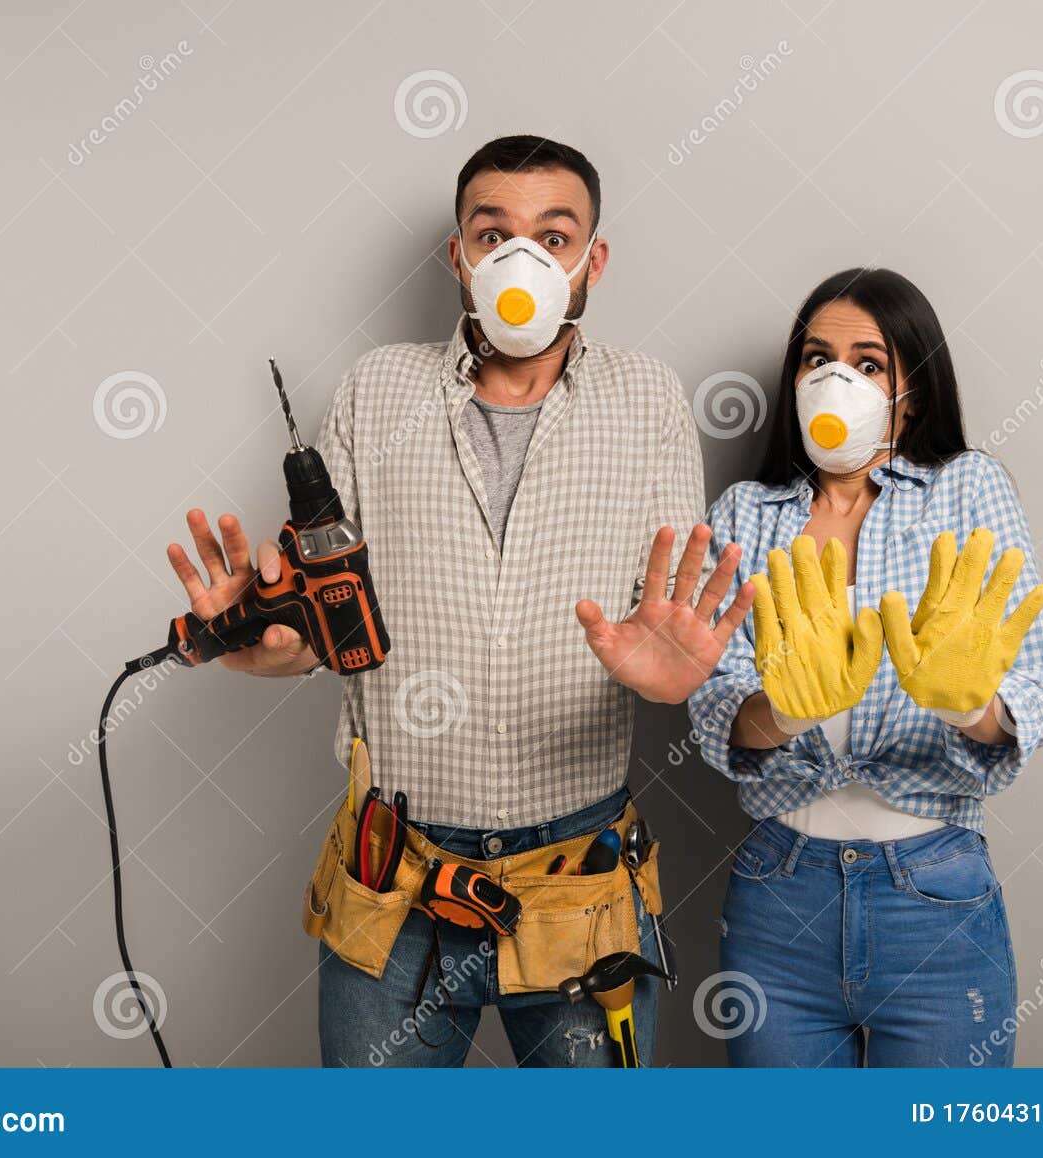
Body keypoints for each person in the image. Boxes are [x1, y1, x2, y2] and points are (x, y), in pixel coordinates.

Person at [164, 136, 754, 1067]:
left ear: (592, 260)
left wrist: (672, 675)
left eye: (554, 237)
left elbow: (663, 629)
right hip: (391, 882)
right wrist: (266, 639)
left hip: (578, 888)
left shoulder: (647, 399)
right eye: (494, 233)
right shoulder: (374, 390)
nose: (523, 259)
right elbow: (324, 626)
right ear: (460, 255)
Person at [688, 268, 1043, 1067]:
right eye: (817, 358)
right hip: (778, 895)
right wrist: (778, 710)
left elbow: (1038, 682)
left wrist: (972, 706)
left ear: (913, 393)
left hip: (935, 895)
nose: (836, 380)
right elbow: (712, 701)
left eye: (868, 363)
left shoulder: (966, 489)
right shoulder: (743, 515)